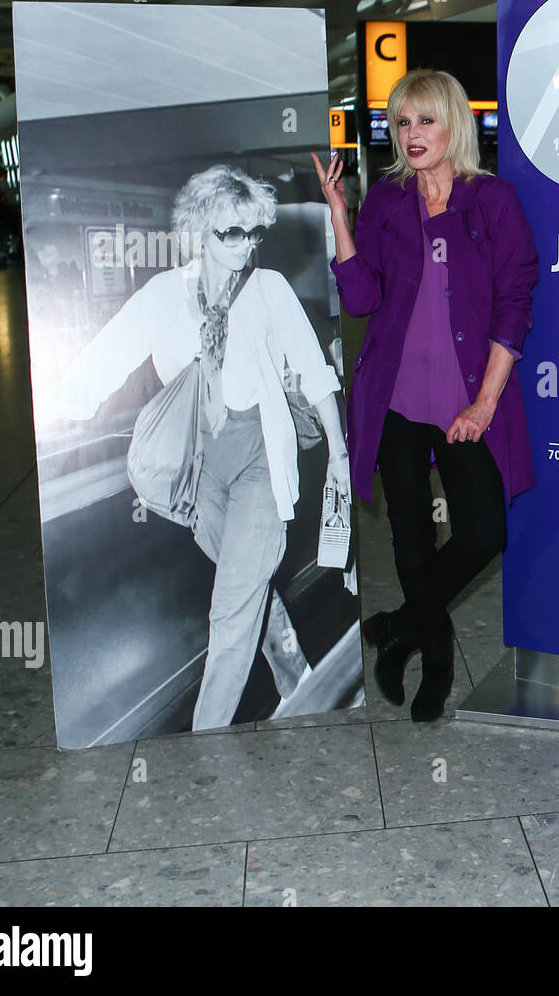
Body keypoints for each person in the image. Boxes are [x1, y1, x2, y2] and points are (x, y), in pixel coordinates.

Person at [49, 164, 349, 729]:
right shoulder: (162, 296)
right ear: (198, 231)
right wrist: (58, 410)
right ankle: (299, 680)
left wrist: (339, 453)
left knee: (231, 605)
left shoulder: (269, 289)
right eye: (229, 233)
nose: (244, 245)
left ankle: (205, 741)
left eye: (252, 232)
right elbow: (104, 359)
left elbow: (314, 371)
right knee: (248, 581)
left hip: (259, 456)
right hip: (198, 471)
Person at [317, 68, 538, 723]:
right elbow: (361, 299)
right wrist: (340, 218)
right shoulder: (387, 201)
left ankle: (398, 626)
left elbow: (513, 303)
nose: (412, 135)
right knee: (412, 538)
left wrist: (486, 402)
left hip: (467, 398)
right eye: (401, 122)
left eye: (425, 120)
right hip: (394, 395)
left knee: (483, 531)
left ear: (454, 125)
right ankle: (435, 668)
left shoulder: (492, 200)